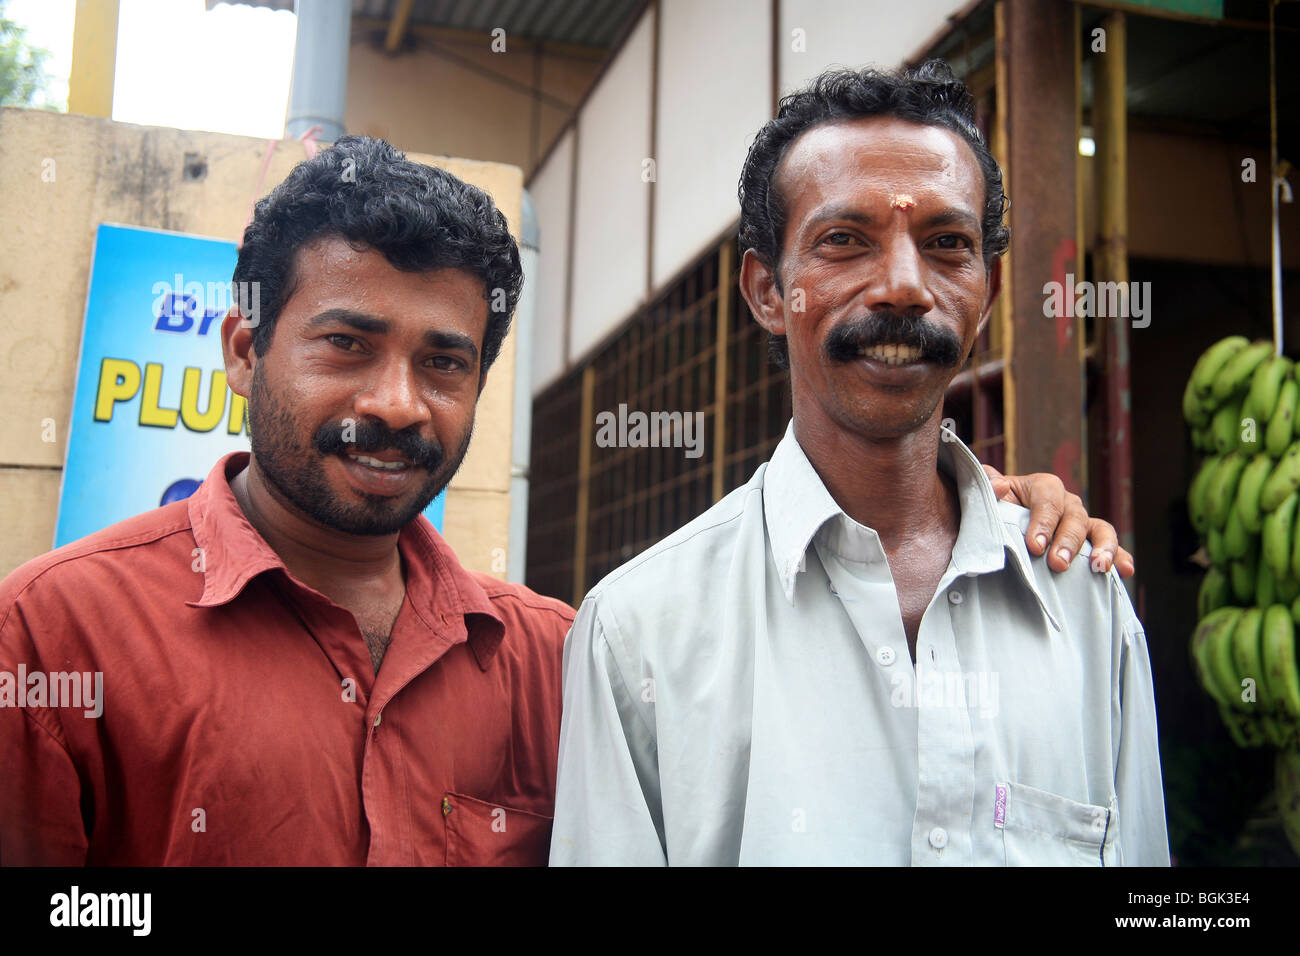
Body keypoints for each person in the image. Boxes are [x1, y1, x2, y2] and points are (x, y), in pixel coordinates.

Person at [549, 62, 1167, 866]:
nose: (906, 287)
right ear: (768, 291)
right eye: (845, 241)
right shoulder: (639, 634)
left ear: (988, 290)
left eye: (948, 244)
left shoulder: (1086, 606)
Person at [0, 137, 572, 865]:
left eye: (442, 363)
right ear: (244, 352)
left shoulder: (548, 661)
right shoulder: (55, 637)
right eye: (346, 343)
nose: (398, 406)